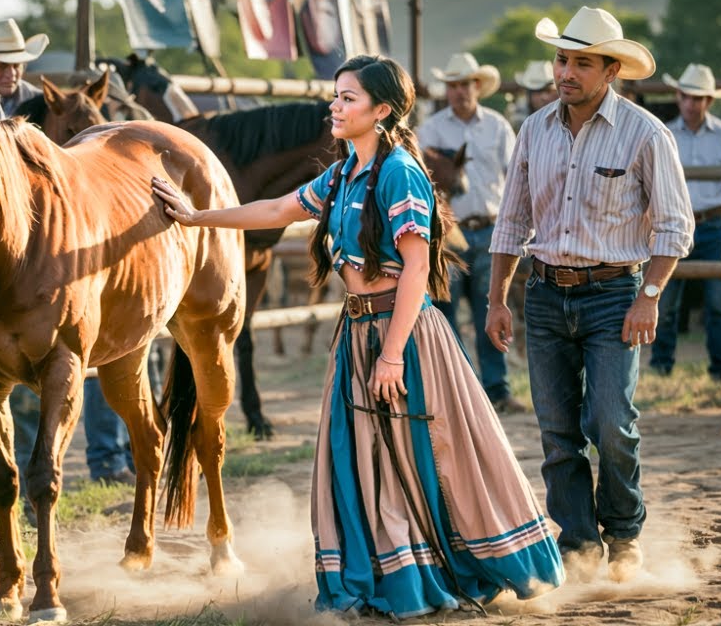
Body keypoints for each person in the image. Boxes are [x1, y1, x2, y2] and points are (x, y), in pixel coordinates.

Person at [154, 54, 562, 619]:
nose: (335, 106)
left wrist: (392, 354)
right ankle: (387, 578)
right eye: (336, 95)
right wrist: (196, 217)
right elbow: (278, 208)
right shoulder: (344, 170)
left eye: (347, 98)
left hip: (405, 336)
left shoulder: (399, 172)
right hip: (358, 332)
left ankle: (439, 575)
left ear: (382, 111)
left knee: (425, 457)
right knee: (362, 459)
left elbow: (417, 268)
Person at [487, 6, 694, 584]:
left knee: (610, 422)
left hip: (614, 295)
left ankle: (624, 534)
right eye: (561, 59)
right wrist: (497, 300)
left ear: (610, 71)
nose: (566, 72)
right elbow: (512, 221)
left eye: (581, 62)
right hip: (546, 295)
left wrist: (649, 294)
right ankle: (579, 547)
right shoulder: (533, 129)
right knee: (556, 432)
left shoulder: (645, 134)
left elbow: (676, 227)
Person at [0, 17, 140, 486]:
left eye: (17, 63)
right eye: (1, 63)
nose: (11, 71)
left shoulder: (37, 111)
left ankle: (103, 456)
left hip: (47, 257)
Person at [418, 52, 522, 413]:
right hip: (449, 236)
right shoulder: (428, 132)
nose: (459, 91)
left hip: (491, 230)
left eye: (464, 84)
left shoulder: (497, 127)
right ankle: (463, 393)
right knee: (446, 319)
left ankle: (496, 389)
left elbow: (516, 178)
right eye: (453, 85)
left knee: (490, 311)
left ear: (477, 86)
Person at [650, 63, 721, 382]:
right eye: (687, 96)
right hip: (674, 226)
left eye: (699, 98)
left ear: (709, 102)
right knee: (664, 299)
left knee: (718, 302)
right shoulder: (665, 134)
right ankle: (662, 365)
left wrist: (719, 211)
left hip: (712, 224)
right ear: (678, 97)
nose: (692, 103)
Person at [513, 59, 558, 127]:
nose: (544, 97)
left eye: (548, 91)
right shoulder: (519, 117)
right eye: (537, 91)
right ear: (529, 94)